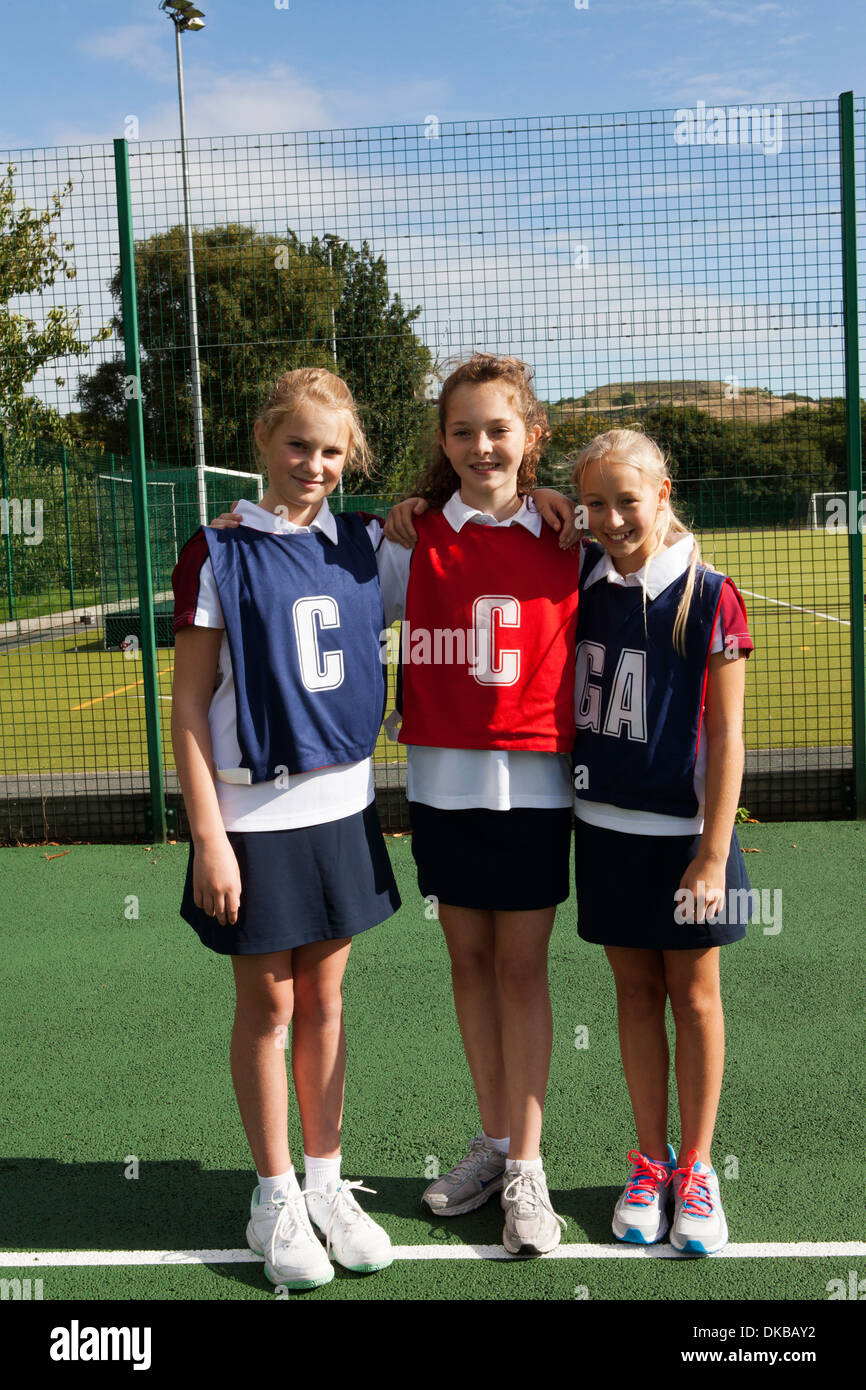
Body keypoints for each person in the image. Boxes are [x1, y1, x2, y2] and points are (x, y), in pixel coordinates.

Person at [171, 367, 400, 1291]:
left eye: (332, 451)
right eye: (298, 444)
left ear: (351, 461)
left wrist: (545, 494)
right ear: (263, 440)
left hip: (342, 807)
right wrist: (209, 836)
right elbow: (188, 706)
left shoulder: (368, 544)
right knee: (268, 1007)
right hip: (250, 814)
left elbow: (472, 517)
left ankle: (327, 1182)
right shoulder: (216, 552)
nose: (314, 464)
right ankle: (272, 1195)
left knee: (328, 1004)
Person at [383, 354, 579, 1257]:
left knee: (520, 970)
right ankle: (495, 1145)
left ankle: (529, 1171)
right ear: (442, 442)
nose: (480, 445)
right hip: (442, 784)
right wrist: (234, 526)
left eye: (498, 428)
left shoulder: (566, 536)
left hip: (535, 783)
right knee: (468, 963)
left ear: (531, 437)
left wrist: (576, 507)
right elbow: (328, 575)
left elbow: (649, 532)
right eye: (462, 430)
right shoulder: (412, 535)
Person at [568, 427, 754, 1255]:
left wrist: (713, 853)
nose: (611, 518)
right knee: (635, 994)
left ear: (664, 494)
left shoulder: (712, 594)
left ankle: (700, 1169)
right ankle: (649, 1159)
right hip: (606, 832)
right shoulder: (580, 576)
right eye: (595, 503)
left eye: (627, 501)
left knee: (696, 997)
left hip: (686, 839)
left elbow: (728, 739)